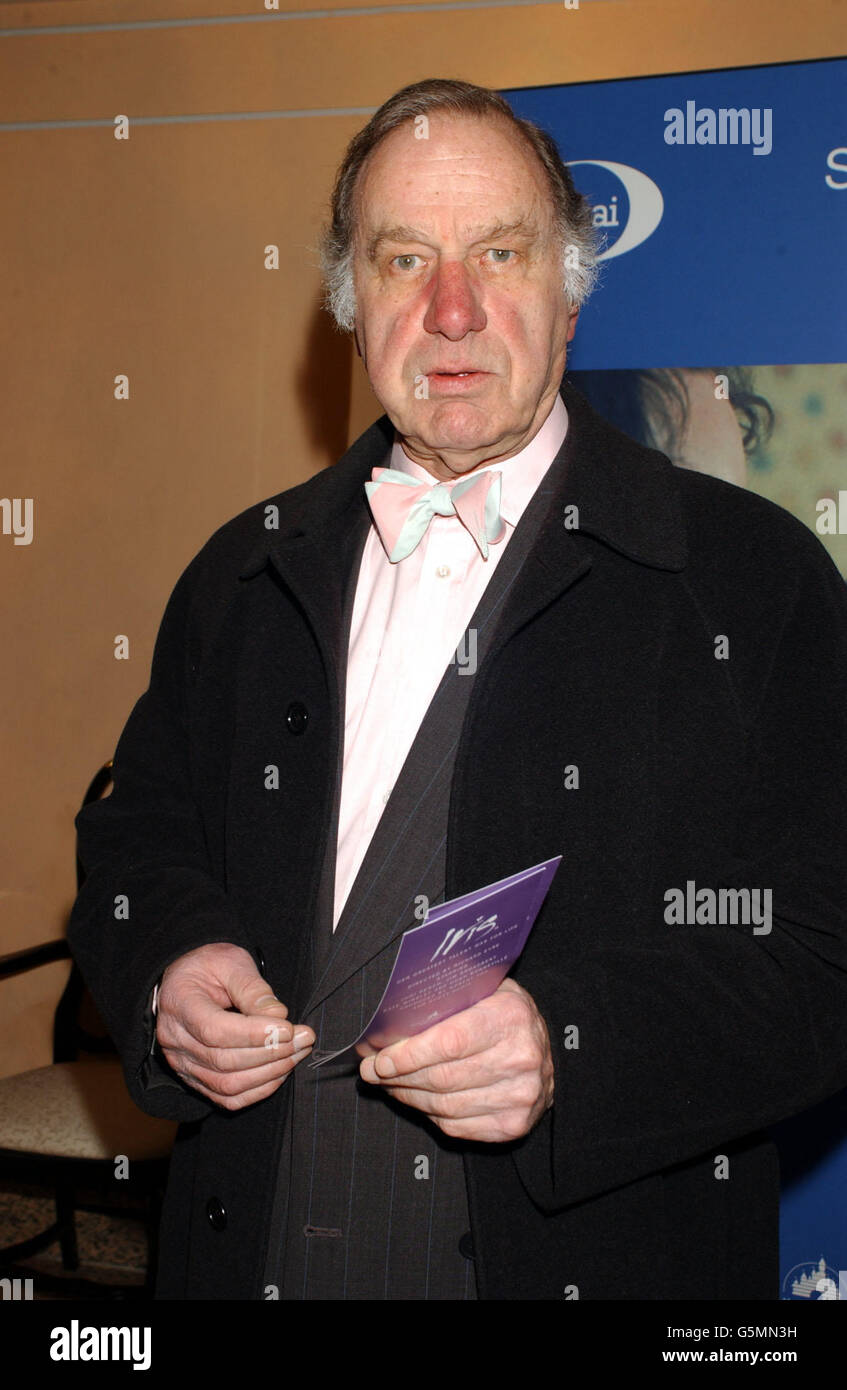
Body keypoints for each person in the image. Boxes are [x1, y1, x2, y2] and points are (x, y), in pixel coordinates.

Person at [68, 78, 847, 1301]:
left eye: (499, 252)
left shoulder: (753, 580)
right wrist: (169, 960)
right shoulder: (242, 569)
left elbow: (820, 952)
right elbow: (135, 834)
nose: (451, 308)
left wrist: (571, 1046)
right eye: (403, 259)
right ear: (350, 303)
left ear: (570, 295)